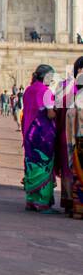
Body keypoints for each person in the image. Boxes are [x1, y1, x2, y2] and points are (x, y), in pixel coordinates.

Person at [21, 64, 58, 212]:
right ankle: (42, 202)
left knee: (31, 164)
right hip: (43, 134)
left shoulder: (29, 90)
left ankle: (31, 200)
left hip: (29, 132)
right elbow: (50, 114)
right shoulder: (46, 91)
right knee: (44, 166)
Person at [57, 56, 83, 218]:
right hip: (71, 137)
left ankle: (73, 205)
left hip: (69, 138)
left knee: (72, 172)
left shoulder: (64, 87)